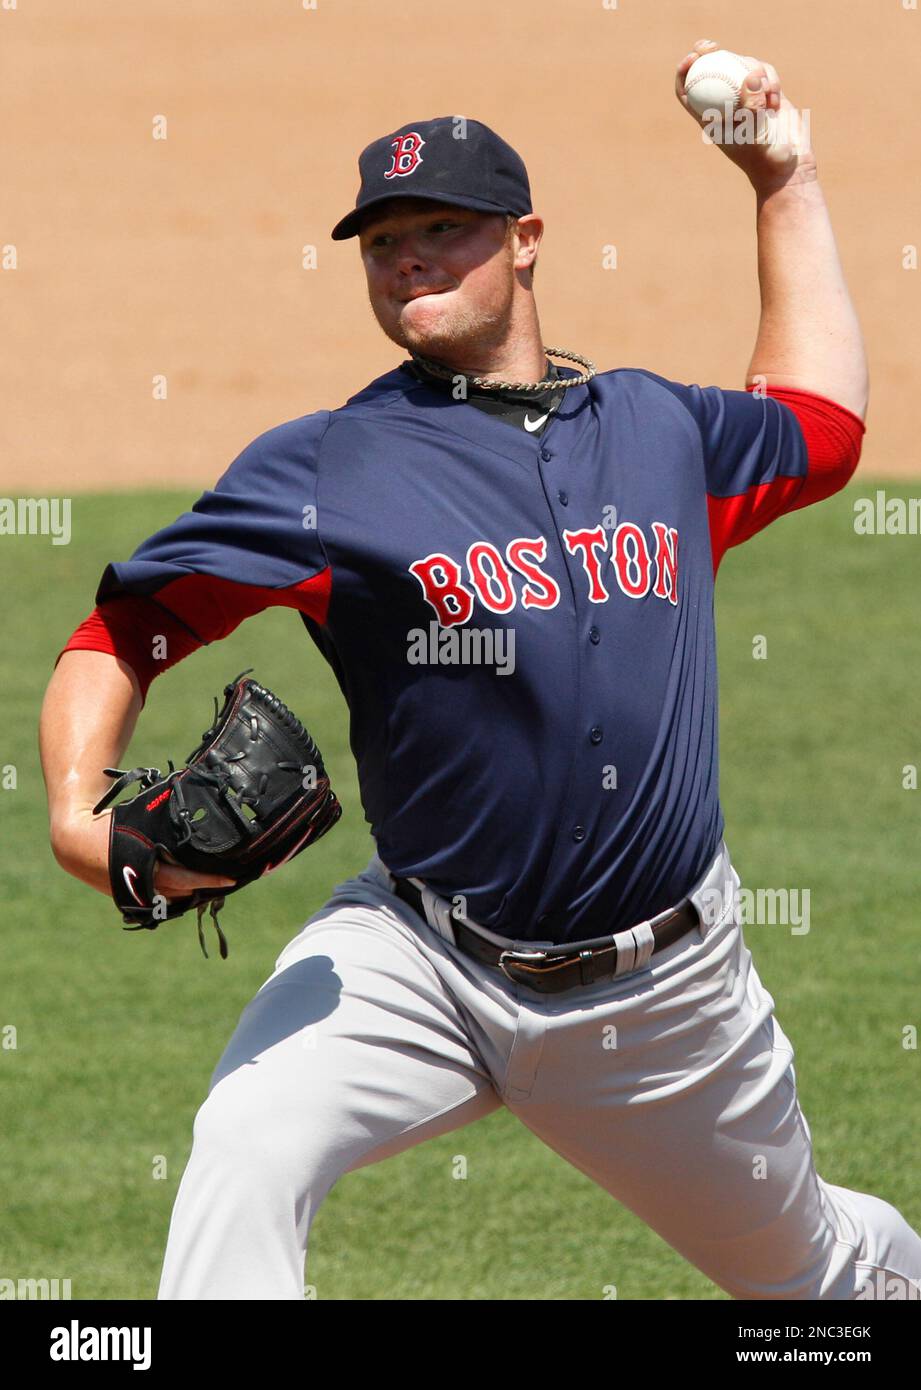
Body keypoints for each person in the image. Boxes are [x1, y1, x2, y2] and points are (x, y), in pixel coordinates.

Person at [40, 40, 921, 1300]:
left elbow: (822, 426)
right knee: (246, 1142)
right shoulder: (328, 469)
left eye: (443, 227)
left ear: (526, 238)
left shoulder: (658, 433)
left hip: (661, 1002)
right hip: (419, 958)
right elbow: (124, 630)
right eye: (383, 239)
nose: (408, 257)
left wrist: (784, 185)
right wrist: (83, 818)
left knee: (817, 1287)